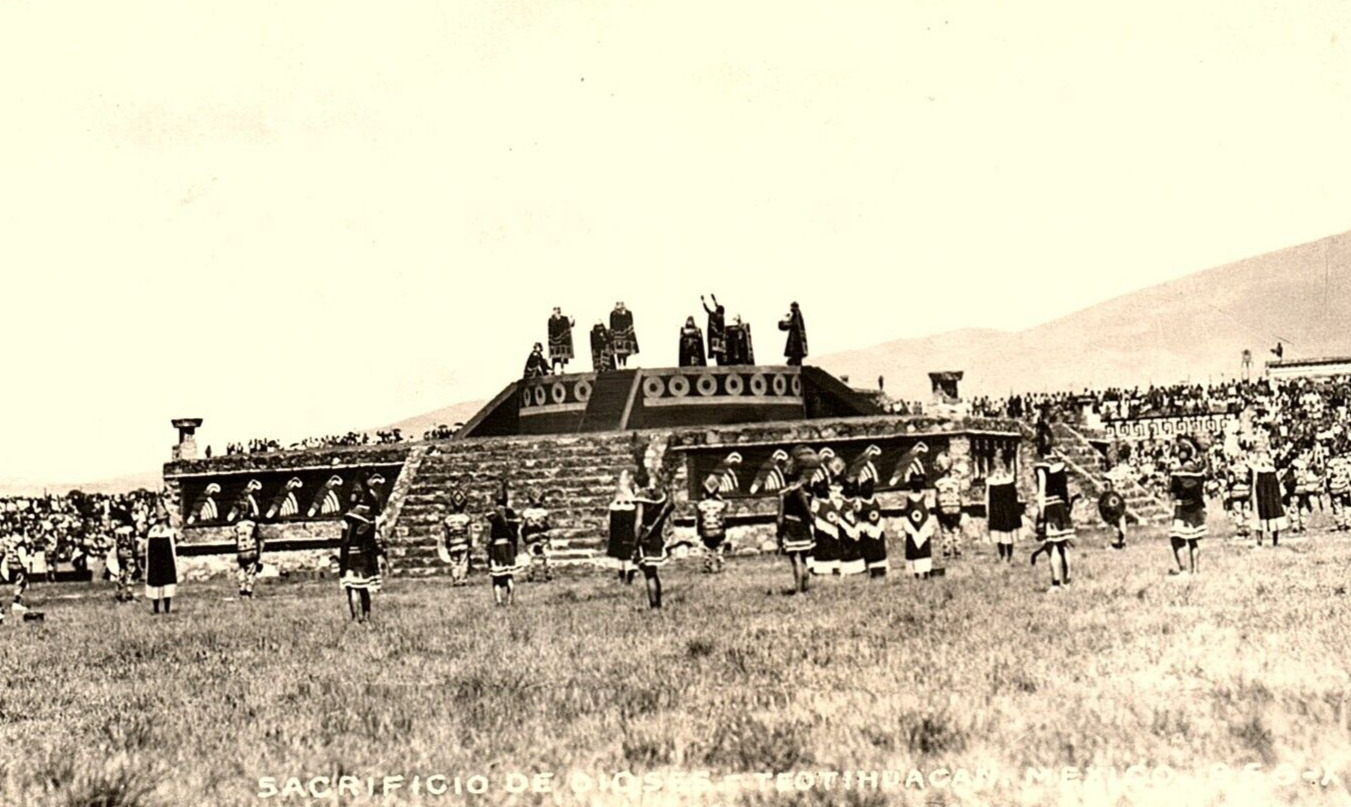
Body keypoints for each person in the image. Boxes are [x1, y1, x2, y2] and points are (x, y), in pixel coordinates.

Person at [338, 477, 386, 622]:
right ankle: (366, 617)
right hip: (366, 554)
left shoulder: (349, 517)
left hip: (352, 555)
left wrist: (342, 558)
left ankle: (355, 617)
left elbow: (346, 540)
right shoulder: (370, 516)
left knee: (352, 588)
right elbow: (373, 540)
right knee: (364, 588)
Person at [1032, 441, 1075, 590]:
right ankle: (1067, 581)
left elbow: (1041, 492)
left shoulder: (1041, 467)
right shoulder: (1061, 465)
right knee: (1063, 545)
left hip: (1050, 507)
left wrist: (1042, 515)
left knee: (1052, 546)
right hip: (1061, 506)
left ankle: (1056, 582)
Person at [777, 446, 818, 593]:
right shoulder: (807, 491)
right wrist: (812, 522)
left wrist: (779, 534)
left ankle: (799, 590)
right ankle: (805, 588)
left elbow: (780, 517)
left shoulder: (785, 492)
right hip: (804, 525)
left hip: (791, 526)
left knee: (796, 560)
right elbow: (808, 511)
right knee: (805, 559)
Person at [632, 470, 674, 609]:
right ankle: (658, 604)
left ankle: (654, 605)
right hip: (657, 535)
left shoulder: (642, 496)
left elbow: (638, 521)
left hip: (646, 537)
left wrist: (635, 541)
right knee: (653, 571)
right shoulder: (659, 495)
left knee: (649, 573)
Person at [1168, 443, 1207, 575]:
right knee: (1193, 540)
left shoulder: (1177, 472)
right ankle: (1195, 571)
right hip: (1196, 508)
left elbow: (1173, 493)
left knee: (1176, 539)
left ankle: (1183, 570)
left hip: (1182, 507)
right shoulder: (1197, 470)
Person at [485, 480, 522, 606]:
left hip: (497, 547)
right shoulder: (510, 513)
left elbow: (488, 517)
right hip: (509, 546)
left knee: (496, 576)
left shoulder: (494, 514)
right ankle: (510, 600)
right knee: (509, 575)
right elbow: (516, 530)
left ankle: (499, 601)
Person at [144, 499, 179, 615]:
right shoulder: (154, 531)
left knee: (165, 583)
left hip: (163, 560)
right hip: (158, 560)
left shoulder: (168, 531)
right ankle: (158, 608)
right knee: (158, 583)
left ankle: (164, 608)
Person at [438, 484, 475, 585]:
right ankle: (463, 579)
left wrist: (447, 543)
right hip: (463, 543)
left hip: (453, 543)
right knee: (463, 562)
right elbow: (469, 533)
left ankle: (455, 579)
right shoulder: (466, 518)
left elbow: (446, 534)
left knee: (454, 562)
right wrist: (470, 543)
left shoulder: (448, 519)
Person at [900, 472, 934, 579]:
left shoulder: (925, 498)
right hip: (912, 527)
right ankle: (915, 572)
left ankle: (925, 571)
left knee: (924, 548)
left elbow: (928, 512)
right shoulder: (908, 498)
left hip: (923, 527)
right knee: (913, 549)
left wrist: (927, 527)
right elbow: (906, 512)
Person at [986, 459, 1021, 561]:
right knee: (998, 535)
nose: (999, 471)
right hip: (996, 510)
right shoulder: (990, 481)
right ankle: (1002, 555)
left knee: (1009, 535)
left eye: (1001, 468)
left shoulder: (1009, 480)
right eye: (996, 469)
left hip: (1008, 510)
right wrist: (987, 511)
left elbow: (1014, 497)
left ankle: (1009, 555)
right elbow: (987, 497)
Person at [1251, 444, 1286, 546]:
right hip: (1260, 496)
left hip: (1271, 495)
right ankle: (1259, 541)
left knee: (1274, 513)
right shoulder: (1255, 468)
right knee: (1259, 516)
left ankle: (1275, 541)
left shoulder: (1271, 468)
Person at [607, 472, 639, 585]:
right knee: (624, 554)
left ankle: (625, 577)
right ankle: (625, 577)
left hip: (623, 527)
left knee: (624, 554)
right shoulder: (625, 498)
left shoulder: (621, 499)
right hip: (623, 527)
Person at [696, 475, 729, 573]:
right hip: (718, 530)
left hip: (706, 531)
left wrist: (699, 532)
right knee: (719, 544)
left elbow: (699, 520)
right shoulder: (721, 505)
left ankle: (708, 560)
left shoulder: (701, 505)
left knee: (707, 546)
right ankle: (719, 557)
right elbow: (723, 520)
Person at [856, 478, 888, 577]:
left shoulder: (876, 500)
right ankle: (870, 568)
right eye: (865, 487)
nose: (867, 489)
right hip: (867, 527)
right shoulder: (859, 502)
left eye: (870, 487)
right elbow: (857, 513)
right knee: (869, 548)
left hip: (877, 527)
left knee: (879, 548)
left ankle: (882, 567)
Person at [933, 462, 965, 559]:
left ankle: (947, 551)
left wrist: (937, 510)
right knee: (956, 529)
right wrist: (960, 508)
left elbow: (936, 498)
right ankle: (958, 551)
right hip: (955, 507)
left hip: (944, 508)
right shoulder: (956, 482)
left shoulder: (938, 483)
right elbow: (960, 497)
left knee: (945, 530)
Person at [521, 490, 553, 583]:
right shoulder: (540, 512)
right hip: (535, 535)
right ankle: (536, 572)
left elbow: (525, 527)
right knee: (540, 555)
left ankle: (538, 572)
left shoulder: (529, 512)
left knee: (538, 555)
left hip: (534, 535)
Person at [836, 479, 866, 577]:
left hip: (855, 525)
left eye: (852, 486)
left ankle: (859, 568)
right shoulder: (840, 500)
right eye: (848, 486)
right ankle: (845, 569)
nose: (850, 489)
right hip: (844, 525)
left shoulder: (857, 501)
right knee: (846, 547)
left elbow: (859, 511)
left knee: (856, 547)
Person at [233, 508, 264, 598]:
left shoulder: (237, 525)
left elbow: (236, 539)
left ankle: (242, 589)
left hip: (240, 550)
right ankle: (249, 590)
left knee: (242, 570)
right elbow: (260, 540)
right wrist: (259, 556)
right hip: (251, 550)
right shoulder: (253, 525)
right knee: (251, 571)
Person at [1097, 480, 1127, 550]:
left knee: (1120, 527)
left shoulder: (1114, 494)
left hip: (1117, 514)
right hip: (1111, 515)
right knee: (1115, 528)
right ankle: (1118, 543)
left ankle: (1121, 543)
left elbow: (1121, 503)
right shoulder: (1106, 495)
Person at [1328, 442, 1351, 532]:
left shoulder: (1331, 463)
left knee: (1337, 506)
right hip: (1345, 486)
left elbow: (1328, 476)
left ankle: (1340, 524)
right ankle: (1348, 523)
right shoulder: (1347, 462)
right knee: (1347, 506)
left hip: (1335, 487)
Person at [610, 302, 638, 367]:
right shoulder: (613, 314)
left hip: (626, 333)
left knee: (625, 350)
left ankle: (625, 365)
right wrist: (612, 334)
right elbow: (611, 325)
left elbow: (631, 323)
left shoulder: (628, 313)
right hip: (617, 334)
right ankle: (619, 364)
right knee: (618, 350)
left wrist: (629, 332)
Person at [547, 308, 576, 372]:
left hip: (562, 340)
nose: (555, 312)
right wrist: (550, 338)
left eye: (556, 310)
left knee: (562, 355)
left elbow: (569, 325)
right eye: (554, 310)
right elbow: (550, 329)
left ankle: (562, 369)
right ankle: (553, 369)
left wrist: (572, 320)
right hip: (553, 340)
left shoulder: (564, 319)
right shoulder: (551, 319)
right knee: (554, 356)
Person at [701, 295, 726, 366]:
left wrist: (703, 301)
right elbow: (718, 306)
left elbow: (707, 309)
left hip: (714, 337)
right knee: (720, 353)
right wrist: (714, 300)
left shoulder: (713, 315)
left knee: (716, 353)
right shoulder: (722, 316)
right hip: (720, 337)